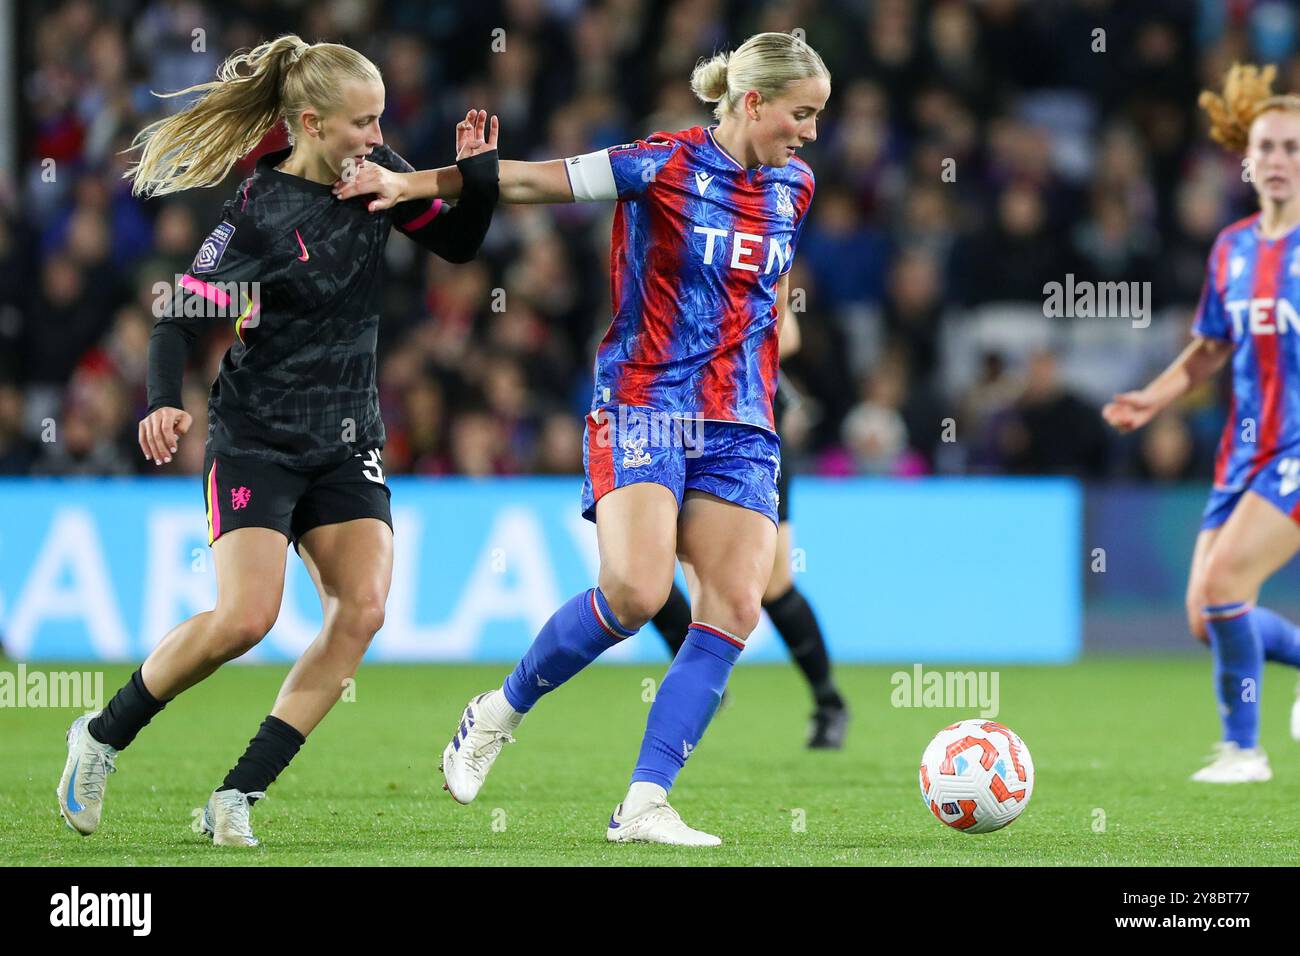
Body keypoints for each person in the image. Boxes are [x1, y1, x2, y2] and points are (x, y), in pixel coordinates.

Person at [336, 31, 829, 844]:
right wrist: (407, 181)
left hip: (742, 418)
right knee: (636, 593)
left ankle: (645, 801)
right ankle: (499, 710)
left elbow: (766, 291)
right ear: (754, 102)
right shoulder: (662, 163)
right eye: (801, 114)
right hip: (644, 401)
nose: (810, 133)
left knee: (737, 606)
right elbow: (534, 180)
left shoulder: (795, 188)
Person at [56, 34, 499, 846]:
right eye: (361, 123)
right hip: (258, 436)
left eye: (379, 120)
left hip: (346, 435)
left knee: (360, 610)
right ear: (309, 123)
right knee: (246, 618)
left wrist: (476, 178)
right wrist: (162, 403)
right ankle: (100, 736)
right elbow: (173, 318)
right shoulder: (259, 215)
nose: (376, 136)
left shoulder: (379, 177)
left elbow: (460, 244)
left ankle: (236, 796)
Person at [1103, 63, 1300, 783]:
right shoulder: (1234, 248)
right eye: (1267, 148)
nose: (1278, 161)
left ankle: (1243, 750)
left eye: (1293, 148)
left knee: (1224, 588)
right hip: (1245, 450)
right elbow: (1213, 345)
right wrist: (1154, 398)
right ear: (1246, 159)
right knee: (1205, 616)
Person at [651, 359, 849, 749]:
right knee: (645, 573)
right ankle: (703, 681)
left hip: (746, 429)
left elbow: (788, 335)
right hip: (666, 422)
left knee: (773, 585)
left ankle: (829, 702)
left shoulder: (751, 295)